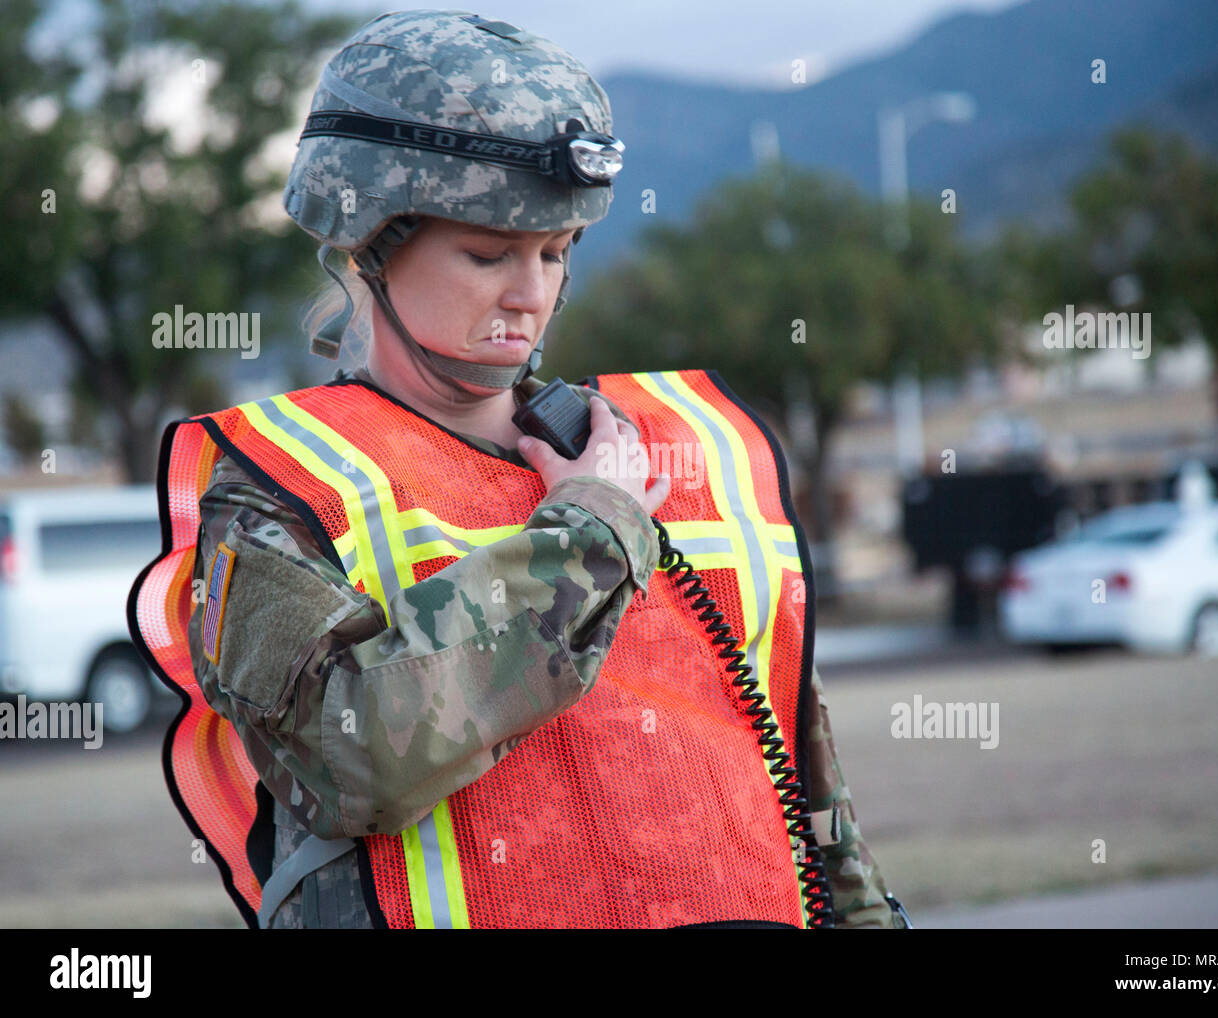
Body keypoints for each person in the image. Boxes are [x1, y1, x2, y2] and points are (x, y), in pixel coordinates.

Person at [129, 8, 908, 930]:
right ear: (366, 244)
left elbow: (807, 795)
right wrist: (587, 537)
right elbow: (354, 757)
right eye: (487, 253)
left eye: (555, 252)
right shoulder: (281, 483)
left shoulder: (671, 449)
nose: (530, 294)